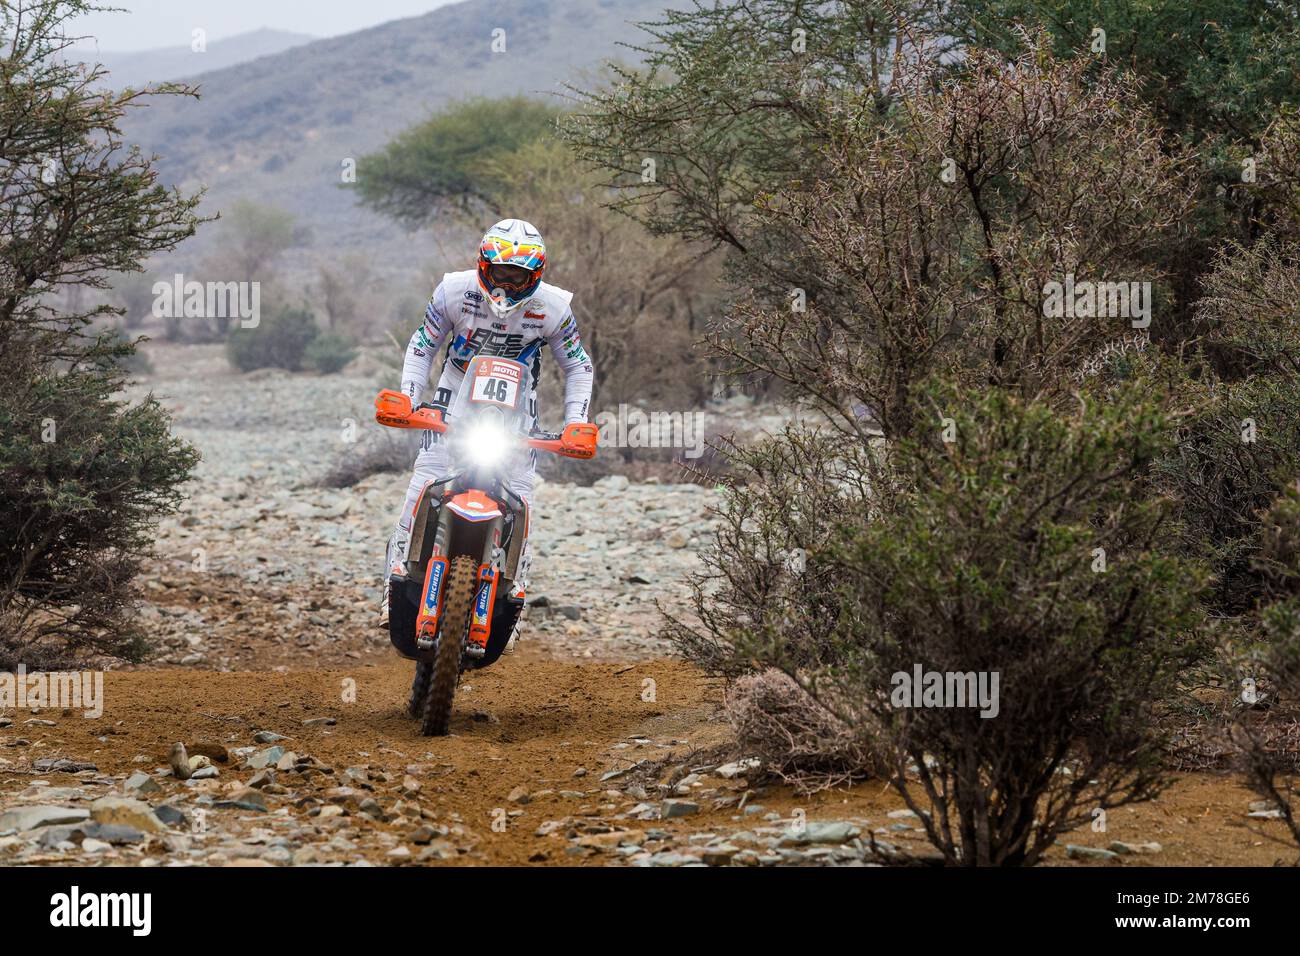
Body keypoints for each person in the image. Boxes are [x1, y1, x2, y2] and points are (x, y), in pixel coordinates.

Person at [382, 219, 594, 625]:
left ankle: (514, 586)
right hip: (454, 392)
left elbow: (578, 366)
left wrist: (575, 423)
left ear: (536, 275)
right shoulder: (453, 291)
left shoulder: (554, 307)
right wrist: (409, 399)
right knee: (427, 477)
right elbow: (423, 344)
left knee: (519, 491)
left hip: (518, 407)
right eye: (502, 273)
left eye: (519, 276)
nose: (509, 285)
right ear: (484, 265)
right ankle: (393, 584)